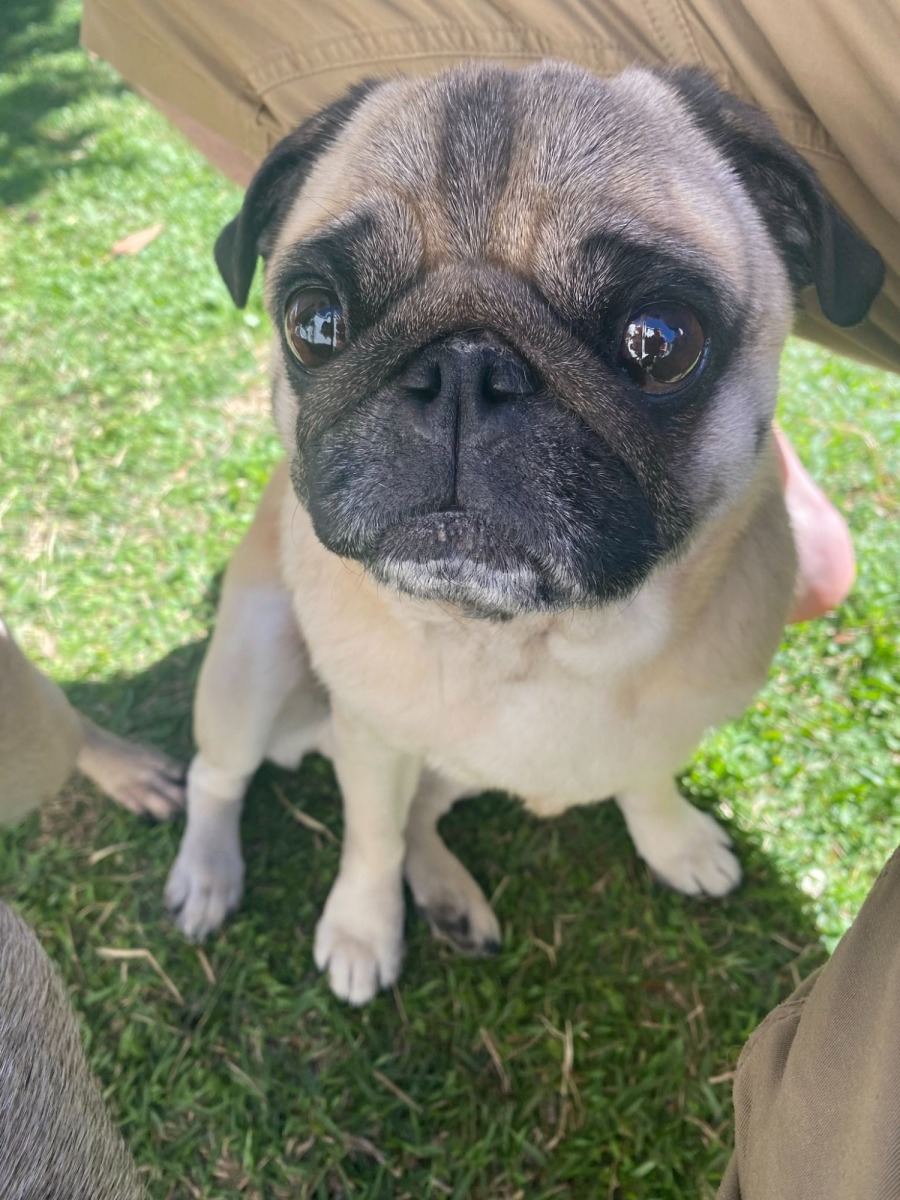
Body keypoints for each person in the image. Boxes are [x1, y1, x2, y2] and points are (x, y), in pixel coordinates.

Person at [74, 3, 900, 1196]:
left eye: (650, 340)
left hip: (647, 662)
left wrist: (652, 801)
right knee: (259, 701)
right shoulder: (340, 588)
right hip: (361, 669)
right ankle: (283, 821)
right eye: (327, 322)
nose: (464, 407)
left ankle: (624, 802)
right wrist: (344, 873)